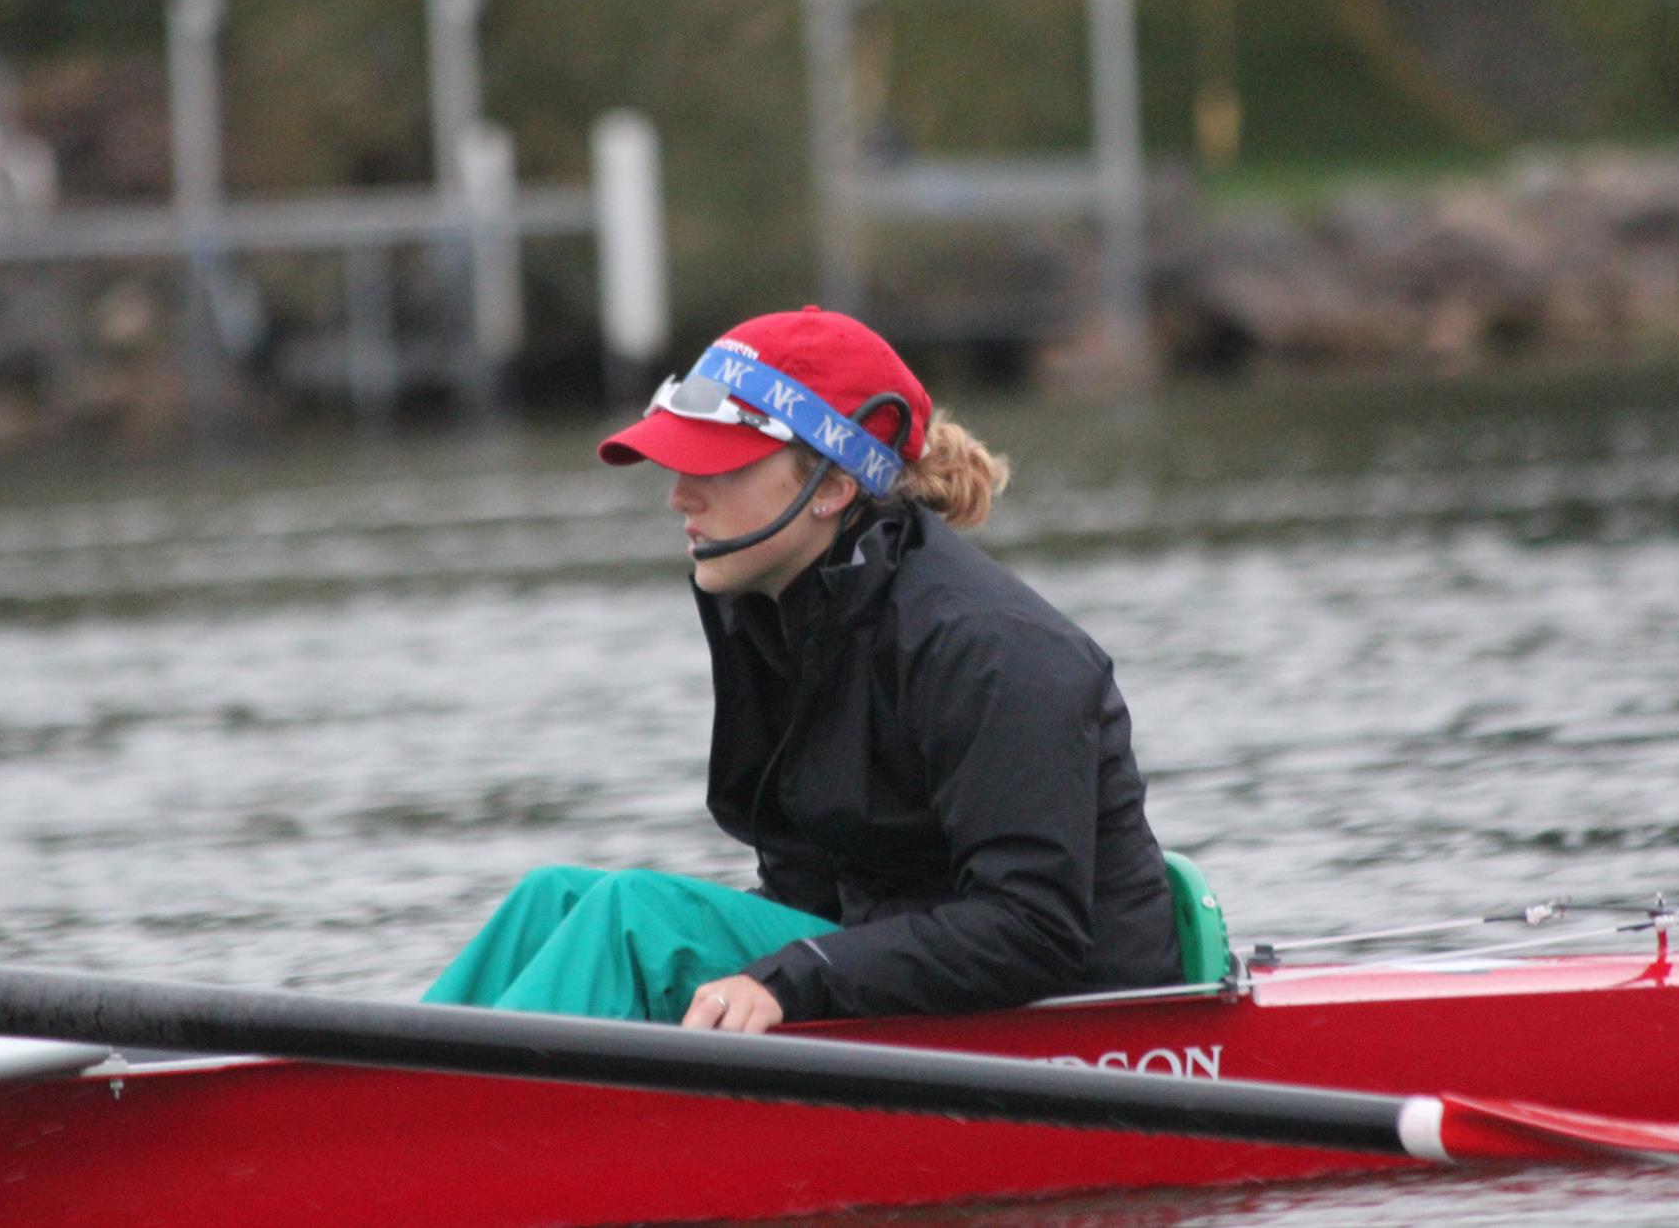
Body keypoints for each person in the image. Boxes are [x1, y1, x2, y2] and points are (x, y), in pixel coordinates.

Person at [423, 307, 1182, 1032]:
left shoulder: (996, 651)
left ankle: (424, 1126)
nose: (679, 493)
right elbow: (807, 888)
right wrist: (794, 968)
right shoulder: (781, 613)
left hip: (1084, 1018)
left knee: (633, 919)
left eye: (716, 465)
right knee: (551, 899)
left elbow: (1033, 932)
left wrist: (795, 975)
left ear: (832, 487)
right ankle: (349, 1082)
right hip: (913, 982)